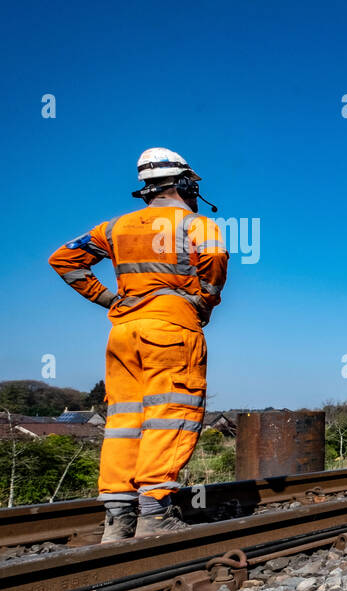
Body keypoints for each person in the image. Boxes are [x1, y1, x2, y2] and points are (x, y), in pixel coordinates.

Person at [49, 148, 228, 541]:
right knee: (171, 413)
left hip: (123, 332)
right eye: (193, 184)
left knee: (124, 421)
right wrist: (202, 302)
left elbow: (63, 259)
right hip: (171, 329)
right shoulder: (198, 225)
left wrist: (106, 298)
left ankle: (118, 517)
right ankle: (155, 513)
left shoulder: (113, 228)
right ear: (182, 183)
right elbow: (214, 266)